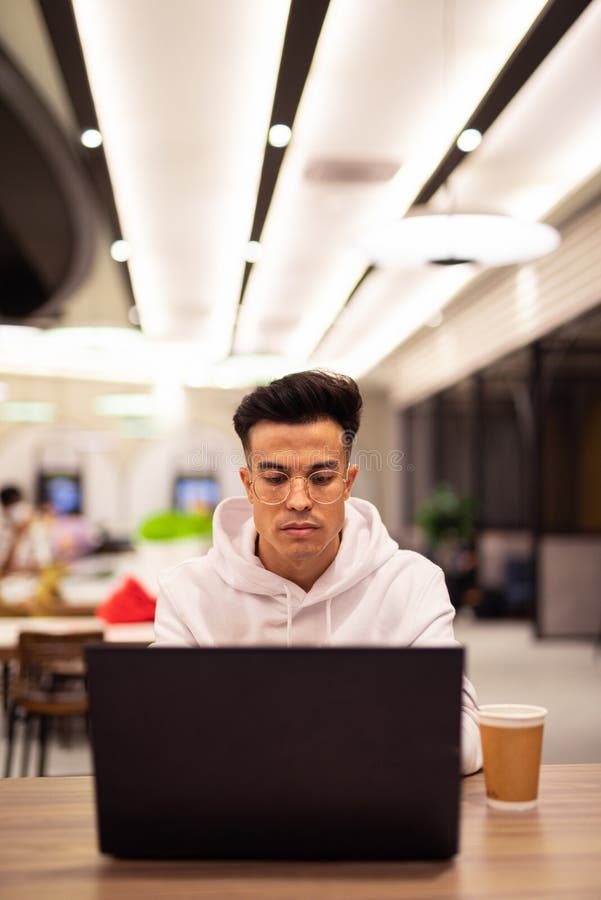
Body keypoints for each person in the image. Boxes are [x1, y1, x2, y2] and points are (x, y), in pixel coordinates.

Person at [154, 370, 483, 774]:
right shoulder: (188, 593)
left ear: (348, 483)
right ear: (248, 484)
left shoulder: (411, 584)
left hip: (370, 823)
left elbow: (464, 736)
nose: (298, 500)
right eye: (275, 478)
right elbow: (160, 731)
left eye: (322, 478)